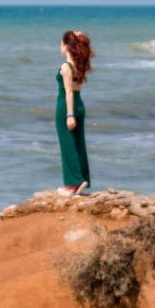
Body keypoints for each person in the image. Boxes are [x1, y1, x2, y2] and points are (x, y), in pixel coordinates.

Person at [56, 30, 92, 194]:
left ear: (66, 46)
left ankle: (73, 183)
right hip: (79, 104)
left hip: (66, 106)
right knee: (78, 143)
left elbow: (68, 92)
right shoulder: (79, 65)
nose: (60, 46)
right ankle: (82, 178)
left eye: (61, 43)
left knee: (67, 144)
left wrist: (69, 115)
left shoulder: (66, 67)